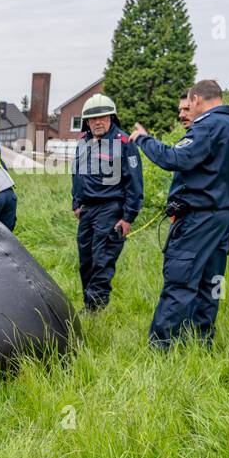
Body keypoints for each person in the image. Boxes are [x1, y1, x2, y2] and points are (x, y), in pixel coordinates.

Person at [130, 79, 229, 348]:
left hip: (198, 219)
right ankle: (203, 341)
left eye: (189, 104)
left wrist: (143, 139)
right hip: (224, 219)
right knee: (213, 283)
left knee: (181, 279)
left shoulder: (208, 127)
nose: (187, 111)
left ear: (197, 99)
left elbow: (174, 158)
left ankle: (162, 346)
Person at [71, 93, 142, 312]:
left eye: (103, 117)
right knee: (86, 260)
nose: (98, 122)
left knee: (102, 259)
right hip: (87, 210)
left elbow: (135, 183)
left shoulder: (124, 143)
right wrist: (76, 203)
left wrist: (128, 217)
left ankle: (95, 310)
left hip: (111, 209)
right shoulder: (84, 142)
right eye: (93, 119)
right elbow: (77, 174)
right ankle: (88, 302)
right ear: (87, 122)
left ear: (111, 118)